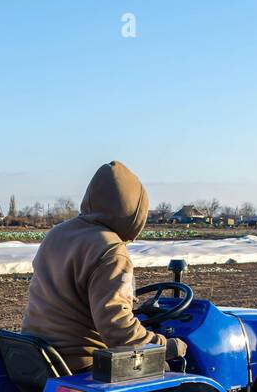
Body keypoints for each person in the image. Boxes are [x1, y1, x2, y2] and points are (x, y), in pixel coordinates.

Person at [21, 160, 186, 373]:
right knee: (168, 371)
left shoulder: (57, 233)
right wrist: (164, 345)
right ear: (135, 211)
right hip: (79, 362)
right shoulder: (110, 249)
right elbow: (117, 328)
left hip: (38, 358)